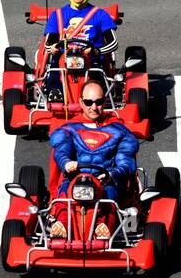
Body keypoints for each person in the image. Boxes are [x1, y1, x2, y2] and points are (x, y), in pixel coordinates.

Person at [48, 78, 138, 239]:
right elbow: (62, 150)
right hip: (76, 179)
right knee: (64, 193)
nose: (94, 107)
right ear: (81, 103)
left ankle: (104, 228)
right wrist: (66, 163)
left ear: (104, 102)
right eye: (89, 102)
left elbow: (126, 161)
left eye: (98, 102)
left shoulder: (118, 130)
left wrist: (113, 174)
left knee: (110, 196)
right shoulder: (70, 128)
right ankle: (62, 224)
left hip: (106, 181)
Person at [43, 0, 117, 100]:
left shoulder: (100, 15)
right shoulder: (57, 15)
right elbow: (48, 43)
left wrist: (96, 51)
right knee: (53, 69)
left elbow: (113, 43)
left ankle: (95, 98)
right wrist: (52, 48)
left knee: (96, 80)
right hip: (62, 60)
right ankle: (56, 94)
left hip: (93, 61)